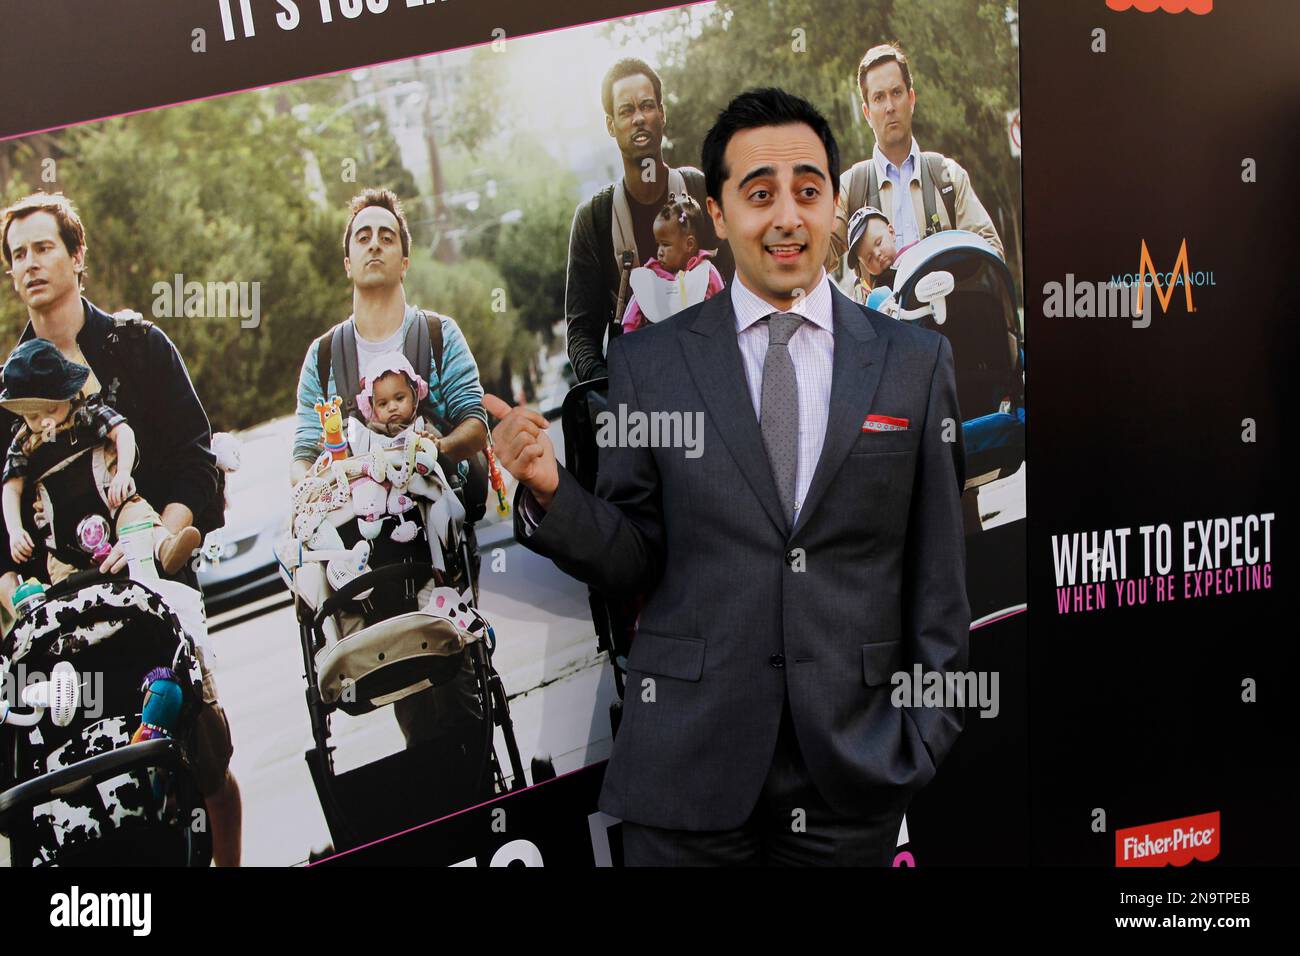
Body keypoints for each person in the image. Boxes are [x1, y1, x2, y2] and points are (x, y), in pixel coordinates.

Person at [487, 87, 969, 866]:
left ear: (831, 206)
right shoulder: (649, 363)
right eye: (759, 193)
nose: (787, 216)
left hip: (853, 780)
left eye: (808, 190)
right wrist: (549, 487)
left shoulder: (913, 365)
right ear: (716, 214)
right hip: (688, 784)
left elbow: (939, 583)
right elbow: (632, 555)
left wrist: (918, 739)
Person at [0, 191, 240, 866]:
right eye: (18, 255)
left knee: (206, 757)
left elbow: (197, 461)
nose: (30, 264)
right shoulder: (6, 399)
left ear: (78, 257)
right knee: (67, 781)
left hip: (153, 584)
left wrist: (162, 538)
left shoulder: (138, 348)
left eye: (44, 247)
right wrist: (23, 602)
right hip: (58, 616)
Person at [290, 187, 487, 751]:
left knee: (450, 669)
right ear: (348, 261)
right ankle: (436, 778)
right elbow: (304, 450)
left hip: (432, 528)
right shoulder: (325, 357)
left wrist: (432, 449)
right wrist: (310, 491)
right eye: (362, 237)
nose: (375, 245)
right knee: (397, 671)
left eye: (388, 236)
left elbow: (475, 424)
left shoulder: (437, 335)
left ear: (405, 259)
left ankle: (472, 777)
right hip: (360, 540)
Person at [564, 58, 732, 382]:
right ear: (611, 125)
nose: (639, 118)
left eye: (647, 106)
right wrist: (612, 391)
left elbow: (740, 282)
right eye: (626, 111)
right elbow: (581, 334)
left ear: (662, 114)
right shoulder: (593, 221)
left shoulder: (701, 188)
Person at [1, 339, 202, 581]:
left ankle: (164, 547)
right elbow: (11, 488)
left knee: (138, 518)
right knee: (61, 570)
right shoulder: (23, 444)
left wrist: (123, 472)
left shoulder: (86, 414)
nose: (46, 422)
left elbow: (123, 433)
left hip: (111, 500)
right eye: (33, 416)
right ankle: (64, 602)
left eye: (52, 410)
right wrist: (15, 530)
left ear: (69, 395)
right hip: (62, 529)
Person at [825, 42, 1004, 272]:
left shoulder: (948, 177)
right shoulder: (850, 188)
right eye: (879, 97)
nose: (890, 106)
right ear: (867, 113)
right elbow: (816, 259)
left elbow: (991, 252)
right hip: (878, 310)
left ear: (911, 99)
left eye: (896, 93)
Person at [622, 194, 726, 333]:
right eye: (658, 244)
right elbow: (630, 324)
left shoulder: (707, 274)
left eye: (665, 245)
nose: (659, 252)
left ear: (689, 244)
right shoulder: (650, 278)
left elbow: (724, 311)